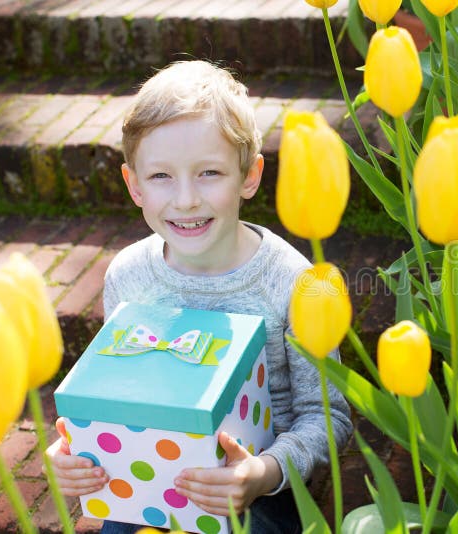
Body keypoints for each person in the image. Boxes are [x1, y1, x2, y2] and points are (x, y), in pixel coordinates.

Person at [45, 60, 353, 534]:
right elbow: (114, 393)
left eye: (209, 172)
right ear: (134, 186)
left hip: (253, 492)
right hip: (141, 484)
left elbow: (327, 417)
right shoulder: (129, 275)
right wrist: (71, 450)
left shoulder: (291, 281)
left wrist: (262, 473)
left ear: (249, 176)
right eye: (162, 176)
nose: (186, 199)